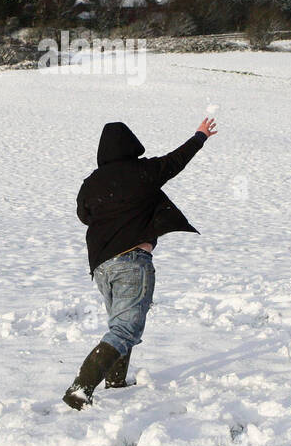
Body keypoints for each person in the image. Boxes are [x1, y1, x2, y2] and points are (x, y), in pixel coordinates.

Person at [63, 116, 218, 410]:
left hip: (101, 267)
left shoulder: (91, 183)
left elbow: (84, 216)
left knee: (119, 324)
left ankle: (116, 382)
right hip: (131, 261)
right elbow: (176, 161)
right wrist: (200, 136)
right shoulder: (141, 171)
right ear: (130, 144)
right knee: (124, 329)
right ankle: (81, 389)